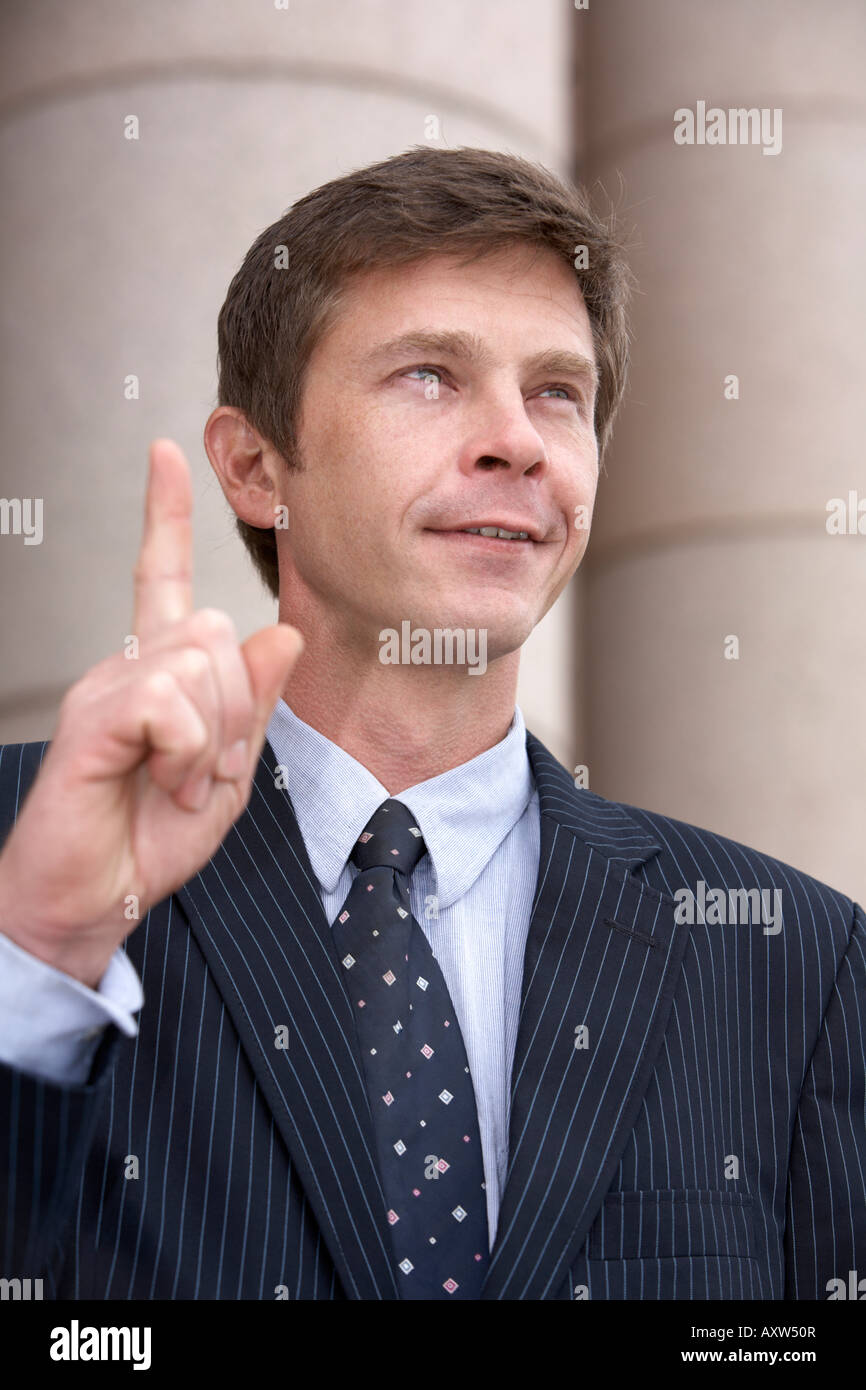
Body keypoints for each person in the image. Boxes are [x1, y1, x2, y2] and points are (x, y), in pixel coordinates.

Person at [0, 146, 863, 1301]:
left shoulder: (793, 961)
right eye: (428, 375)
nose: (519, 440)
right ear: (257, 468)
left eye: (557, 390)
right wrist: (43, 955)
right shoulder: (30, 859)